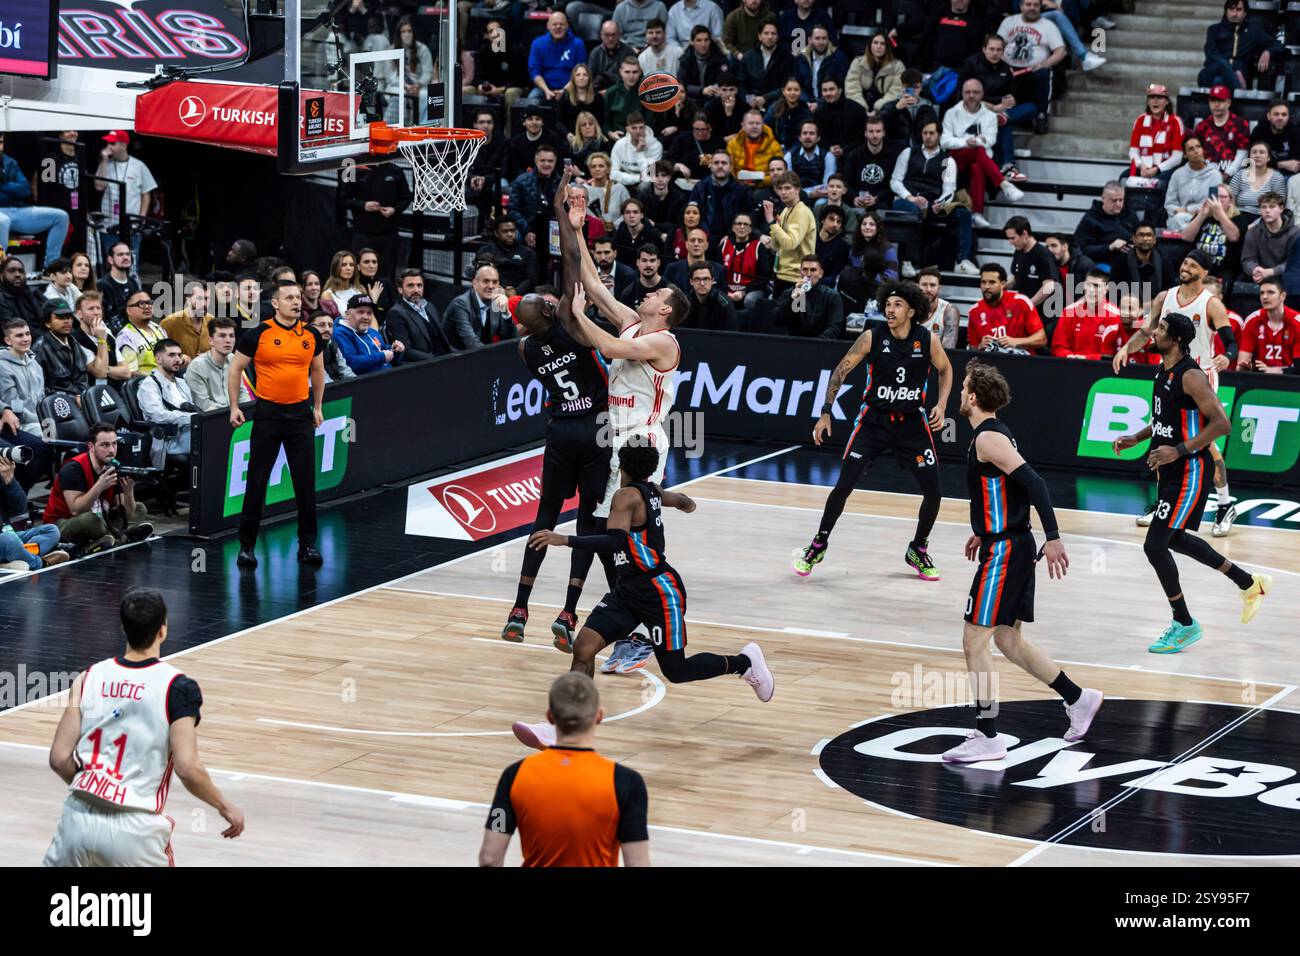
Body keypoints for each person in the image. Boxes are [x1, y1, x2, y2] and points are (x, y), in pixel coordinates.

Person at [516, 443, 775, 749]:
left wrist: (565, 539)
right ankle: (563, 728)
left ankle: (744, 663)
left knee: (676, 671)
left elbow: (615, 542)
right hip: (627, 590)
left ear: (619, 466)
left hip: (659, 592)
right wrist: (686, 504)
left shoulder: (625, 496)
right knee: (584, 646)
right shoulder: (652, 491)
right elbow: (680, 500)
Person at [549, 182, 691, 675]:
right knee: (613, 532)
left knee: (627, 536)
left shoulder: (666, 342)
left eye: (656, 294)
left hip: (642, 442)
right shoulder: (633, 319)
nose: (647, 292)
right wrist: (577, 227)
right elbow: (594, 284)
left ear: (665, 309)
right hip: (616, 436)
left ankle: (640, 630)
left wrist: (574, 316)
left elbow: (608, 347)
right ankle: (634, 624)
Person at [942, 359, 1102, 762]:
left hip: (1006, 552)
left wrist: (1054, 537)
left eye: (963, 387)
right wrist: (984, 529)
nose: (960, 392)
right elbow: (1006, 490)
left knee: (973, 639)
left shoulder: (987, 438)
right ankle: (1078, 698)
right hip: (1005, 543)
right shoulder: (995, 433)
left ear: (973, 397)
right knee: (1007, 640)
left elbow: (1035, 483)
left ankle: (987, 735)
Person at [43, 588, 244, 866]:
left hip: (77, 818)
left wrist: (96, 788)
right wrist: (224, 805)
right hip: (134, 827)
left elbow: (58, 758)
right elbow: (187, 767)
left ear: (123, 629)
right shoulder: (177, 687)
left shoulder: (89, 677)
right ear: (163, 630)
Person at [1111, 312, 1271, 653]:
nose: (1154, 333)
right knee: (1176, 538)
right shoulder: (1163, 370)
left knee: (1155, 545)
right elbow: (1163, 419)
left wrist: (1179, 450)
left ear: (1177, 340)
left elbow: (1222, 424)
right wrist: (1137, 437)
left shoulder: (1191, 375)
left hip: (1189, 471)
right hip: (1170, 470)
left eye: (1161, 329)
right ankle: (1249, 583)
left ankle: (1184, 623)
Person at [501, 172, 614, 647]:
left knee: (545, 515)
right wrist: (565, 215)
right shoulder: (568, 321)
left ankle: (519, 608)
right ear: (549, 312)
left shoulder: (524, 349)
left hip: (560, 431)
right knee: (588, 519)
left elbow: (536, 313)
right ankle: (568, 612)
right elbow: (571, 260)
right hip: (595, 429)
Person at [794, 281, 953, 580]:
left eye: (897, 305)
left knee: (934, 492)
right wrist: (825, 412)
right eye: (888, 305)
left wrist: (942, 405)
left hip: (912, 426)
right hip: (873, 424)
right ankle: (818, 543)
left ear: (912, 311)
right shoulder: (872, 337)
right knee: (843, 486)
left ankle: (917, 549)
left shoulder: (926, 339)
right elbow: (840, 370)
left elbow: (946, 369)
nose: (890, 310)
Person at [1112, 250, 1239, 536]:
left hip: (1200, 375)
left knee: (1207, 443)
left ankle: (1224, 504)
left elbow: (1230, 341)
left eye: (1192, 265)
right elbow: (1146, 332)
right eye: (1184, 262)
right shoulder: (1164, 297)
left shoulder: (1211, 304)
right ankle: (1164, 502)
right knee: (1164, 434)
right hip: (1169, 371)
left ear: (1204, 272)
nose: (1186, 267)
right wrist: (1126, 349)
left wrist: (1227, 356)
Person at [481, 672, 649, 867]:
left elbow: (490, 859)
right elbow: (638, 864)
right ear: (599, 716)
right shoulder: (626, 782)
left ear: (550, 717)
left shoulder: (515, 775)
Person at [227, 282, 326, 568]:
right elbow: (235, 369)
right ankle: (246, 547)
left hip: (300, 415)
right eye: (289, 298)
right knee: (257, 481)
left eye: (298, 298)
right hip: (268, 414)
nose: (296, 302)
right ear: (275, 303)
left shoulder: (311, 334)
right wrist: (234, 407)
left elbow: (318, 371)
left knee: (305, 482)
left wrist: (318, 406)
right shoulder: (259, 333)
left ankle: (307, 545)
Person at [42, 422, 153, 553]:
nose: (111, 450)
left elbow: (127, 513)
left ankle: (106, 539)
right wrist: (99, 486)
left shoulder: (112, 467)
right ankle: (120, 536)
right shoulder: (74, 468)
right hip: (63, 523)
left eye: (114, 444)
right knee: (90, 520)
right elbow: (76, 510)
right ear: (91, 446)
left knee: (139, 508)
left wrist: (129, 492)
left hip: (100, 518)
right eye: (105, 445)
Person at [890, 119, 976, 275]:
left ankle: (962, 261)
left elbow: (949, 189)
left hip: (931, 203)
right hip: (905, 200)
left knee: (963, 213)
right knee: (914, 211)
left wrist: (940, 204)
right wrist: (910, 197)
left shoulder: (948, 161)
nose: (928, 136)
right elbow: (895, 181)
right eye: (925, 133)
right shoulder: (908, 153)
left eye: (931, 133)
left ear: (939, 135)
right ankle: (909, 262)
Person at [940, 77, 1025, 227]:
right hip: (956, 160)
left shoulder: (990, 116)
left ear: (982, 94)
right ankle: (1005, 185)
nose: (971, 95)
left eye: (975, 92)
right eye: (967, 92)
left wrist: (976, 142)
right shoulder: (951, 113)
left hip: (980, 160)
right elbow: (944, 141)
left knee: (977, 167)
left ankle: (977, 213)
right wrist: (966, 142)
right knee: (978, 148)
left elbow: (990, 140)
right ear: (962, 93)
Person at [961, 33, 1033, 181]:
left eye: (999, 50)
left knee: (1031, 107)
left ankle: (1004, 117)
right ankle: (1008, 166)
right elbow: (968, 97)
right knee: (1003, 124)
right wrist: (994, 108)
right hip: (976, 109)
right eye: (991, 49)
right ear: (984, 49)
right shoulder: (971, 64)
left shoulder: (1005, 68)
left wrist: (1011, 99)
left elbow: (1011, 93)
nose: (995, 53)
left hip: (1000, 109)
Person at [0, 132, 70, 266]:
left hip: (18, 210)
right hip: (1, 214)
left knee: (61, 217)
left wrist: (3, 185)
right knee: (3, 221)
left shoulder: (9, 162)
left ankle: (52, 267)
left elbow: (24, 190)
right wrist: (11, 188)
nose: (0, 147)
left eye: (1, 142)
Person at [998, 0, 1067, 133]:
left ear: (1040, 7)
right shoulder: (1009, 22)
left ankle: (1041, 116)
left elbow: (1061, 51)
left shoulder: (1048, 25)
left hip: (1034, 71)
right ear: (1021, 6)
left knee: (1044, 73)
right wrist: (1002, 64)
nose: (1032, 8)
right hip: (1009, 69)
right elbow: (997, 44)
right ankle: (1008, 115)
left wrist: (1044, 64)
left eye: (1036, 5)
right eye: (1028, 4)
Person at [92, 131, 156, 266]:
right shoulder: (106, 164)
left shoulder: (139, 166)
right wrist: (104, 160)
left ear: (123, 145)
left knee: (131, 262)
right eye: (108, 143)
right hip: (109, 224)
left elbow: (146, 193)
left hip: (131, 225)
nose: (108, 147)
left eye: (112, 143)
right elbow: (99, 187)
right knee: (111, 263)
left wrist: (141, 218)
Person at [0, 452, 68, 571]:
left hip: (6, 534)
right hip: (5, 539)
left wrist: (10, 480)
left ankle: (18, 558)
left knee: (51, 530)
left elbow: (21, 508)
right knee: (8, 540)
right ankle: (39, 563)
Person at [340, 163, 412, 273]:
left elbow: (406, 198)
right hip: (363, 234)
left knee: (387, 273)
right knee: (361, 273)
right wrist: (364, 206)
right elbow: (343, 200)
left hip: (389, 235)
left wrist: (394, 210)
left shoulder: (395, 170)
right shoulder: (354, 170)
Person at [1198, 0, 1284, 91]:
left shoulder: (1253, 31)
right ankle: (1235, 83)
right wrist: (1234, 69)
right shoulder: (1214, 30)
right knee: (1220, 66)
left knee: (1218, 82)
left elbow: (1280, 46)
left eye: (1239, 10)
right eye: (1231, 9)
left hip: (1236, 77)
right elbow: (1211, 55)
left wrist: (1268, 52)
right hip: (1211, 73)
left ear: (1245, 13)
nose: (1234, 13)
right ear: (1226, 11)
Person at [136, 339, 196, 469]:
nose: (177, 359)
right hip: (168, 439)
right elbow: (158, 415)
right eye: (171, 355)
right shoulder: (149, 385)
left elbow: (193, 407)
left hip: (190, 432)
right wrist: (190, 418)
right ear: (158, 359)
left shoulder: (182, 382)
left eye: (179, 355)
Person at [967, 263, 1047, 353]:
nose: (987, 286)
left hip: (1021, 358)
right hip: (989, 360)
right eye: (983, 282)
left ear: (1003, 284)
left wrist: (1016, 342)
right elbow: (972, 349)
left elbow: (1041, 339)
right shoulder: (974, 311)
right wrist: (980, 346)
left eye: (992, 282)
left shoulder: (1021, 302)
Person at [1071, 180, 1139, 274]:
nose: (1118, 204)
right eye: (1114, 200)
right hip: (1102, 262)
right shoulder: (1091, 218)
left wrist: (1136, 246)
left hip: (1129, 261)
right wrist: (1110, 247)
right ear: (1103, 199)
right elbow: (1082, 249)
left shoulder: (1130, 215)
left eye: (1121, 200)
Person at [384, 269, 454, 361]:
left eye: (419, 285)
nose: (416, 290)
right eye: (410, 286)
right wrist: (437, 359)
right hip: (425, 364)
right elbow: (406, 352)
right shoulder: (396, 314)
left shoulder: (430, 306)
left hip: (445, 358)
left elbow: (442, 341)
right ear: (400, 289)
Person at [445, 264, 514, 350]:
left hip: (481, 352)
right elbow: (472, 344)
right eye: (486, 281)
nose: (491, 286)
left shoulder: (496, 300)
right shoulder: (461, 304)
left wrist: (506, 313)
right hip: (456, 354)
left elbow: (510, 339)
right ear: (475, 283)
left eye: (495, 282)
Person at [1238, 278, 1300, 372]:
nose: (1265, 297)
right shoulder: (1252, 320)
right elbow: (1241, 363)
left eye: (1271, 292)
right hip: (1260, 376)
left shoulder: (1297, 322)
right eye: (1262, 293)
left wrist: (1276, 371)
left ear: (1282, 296)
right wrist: (1245, 367)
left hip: (1291, 378)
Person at [1052, 270, 1118, 359]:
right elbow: (1058, 347)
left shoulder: (1116, 316)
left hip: (1101, 366)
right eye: (1088, 285)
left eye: (1096, 286)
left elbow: (1113, 354)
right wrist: (1068, 356)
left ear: (1106, 289)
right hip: (1071, 364)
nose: (1091, 290)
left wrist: (1086, 359)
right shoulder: (1069, 312)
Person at [1127, 84, 1185, 186]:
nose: (1155, 101)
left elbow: (1177, 157)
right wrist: (1141, 166)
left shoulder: (1175, 122)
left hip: (1165, 170)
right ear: (1148, 102)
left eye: (1160, 98)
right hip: (1143, 168)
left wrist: (1157, 169)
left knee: (1158, 184)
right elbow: (1133, 151)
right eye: (1152, 97)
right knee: (1123, 179)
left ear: (1167, 102)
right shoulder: (1140, 120)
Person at [773, 256, 844, 338]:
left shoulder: (832, 296)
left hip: (821, 343)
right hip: (794, 341)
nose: (809, 274)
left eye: (813, 270)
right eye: (805, 269)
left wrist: (816, 343)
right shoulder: (789, 293)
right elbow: (778, 321)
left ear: (820, 273)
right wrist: (791, 300)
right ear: (800, 272)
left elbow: (834, 327)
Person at [1178, 182, 1242, 272]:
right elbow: (1186, 237)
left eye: (1223, 197)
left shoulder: (1238, 219)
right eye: (1216, 196)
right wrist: (1202, 214)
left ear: (1230, 202)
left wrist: (1219, 212)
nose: (1218, 200)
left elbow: (1234, 237)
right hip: (1198, 267)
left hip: (1223, 268)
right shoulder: (1204, 216)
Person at [1165, 136, 1224, 232]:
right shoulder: (1177, 174)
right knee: (1177, 219)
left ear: (1203, 150)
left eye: (1198, 147)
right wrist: (1177, 210)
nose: (1196, 151)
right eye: (1191, 149)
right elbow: (1170, 203)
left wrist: (1188, 209)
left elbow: (1213, 204)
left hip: (1204, 218)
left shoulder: (1215, 175)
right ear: (1185, 155)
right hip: (1179, 218)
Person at [333, 295, 403, 374]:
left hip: (388, 374)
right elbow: (351, 363)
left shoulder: (372, 331)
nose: (366, 317)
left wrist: (395, 350)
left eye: (369, 313)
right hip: (366, 380)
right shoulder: (340, 334)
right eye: (360, 312)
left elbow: (383, 351)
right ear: (348, 314)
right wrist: (382, 356)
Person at [33, 300, 90, 397]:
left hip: (83, 399)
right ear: (48, 323)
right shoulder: (39, 349)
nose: (67, 321)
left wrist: (84, 397)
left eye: (69, 317)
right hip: (60, 403)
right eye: (60, 317)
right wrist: (73, 398)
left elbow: (83, 380)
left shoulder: (74, 342)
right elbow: (41, 389)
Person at [1193, 86, 1250, 181]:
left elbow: (1242, 154)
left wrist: (1228, 173)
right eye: (1213, 101)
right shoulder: (1202, 126)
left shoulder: (1240, 124)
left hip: (1232, 175)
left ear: (1228, 103)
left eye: (1220, 101)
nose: (1216, 104)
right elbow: (1196, 153)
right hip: (1206, 174)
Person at [528, 11, 586, 103]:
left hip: (571, 87)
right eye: (554, 24)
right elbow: (534, 72)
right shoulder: (538, 43)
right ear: (548, 26)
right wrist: (546, 90)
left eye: (561, 24)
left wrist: (564, 90)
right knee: (532, 98)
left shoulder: (578, 44)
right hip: (544, 87)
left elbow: (580, 72)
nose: (558, 27)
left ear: (567, 26)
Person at [0, 318, 45, 436]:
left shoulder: (35, 364)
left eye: (27, 334)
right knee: (51, 438)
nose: (26, 339)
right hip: (20, 424)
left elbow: (42, 398)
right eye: (19, 335)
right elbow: (13, 406)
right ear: (8, 341)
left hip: (42, 421)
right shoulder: (2, 366)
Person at [1004, 216, 1058, 314]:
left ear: (1024, 234)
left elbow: (1049, 286)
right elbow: (1016, 277)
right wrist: (1002, 287)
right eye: (1009, 239)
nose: (1010, 242)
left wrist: (1029, 304)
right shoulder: (1018, 251)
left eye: (1013, 238)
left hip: (1044, 314)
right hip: (1027, 312)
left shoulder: (1043, 254)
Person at [187, 318, 243, 411]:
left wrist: (247, 411)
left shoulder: (234, 359)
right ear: (211, 341)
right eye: (222, 336)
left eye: (231, 336)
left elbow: (241, 392)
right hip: (214, 415)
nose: (228, 340)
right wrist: (232, 411)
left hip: (236, 412)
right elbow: (203, 403)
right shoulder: (197, 366)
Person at [738, 22, 792, 113]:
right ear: (760, 36)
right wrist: (751, 99)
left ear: (777, 37)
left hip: (775, 101)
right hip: (751, 101)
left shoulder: (786, 57)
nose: (770, 37)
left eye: (773, 33)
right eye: (766, 33)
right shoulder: (748, 57)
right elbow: (742, 84)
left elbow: (786, 85)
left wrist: (765, 98)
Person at [845, 32, 903, 114]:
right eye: (875, 43)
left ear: (887, 47)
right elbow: (852, 87)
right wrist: (861, 109)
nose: (878, 46)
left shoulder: (898, 66)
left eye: (882, 44)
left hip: (885, 106)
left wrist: (878, 109)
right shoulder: (858, 62)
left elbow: (896, 91)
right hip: (861, 103)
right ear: (870, 45)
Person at [481, 218, 539, 296]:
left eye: (512, 231)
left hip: (519, 294)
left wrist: (515, 291)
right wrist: (501, 290)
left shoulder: (528, 253)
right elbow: (482, 275)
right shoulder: (486, 250)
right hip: (493, 291)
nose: (510, 234)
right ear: (496, 233)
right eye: (505, 231)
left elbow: (531, 279)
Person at [1228, 143, 1287, 220]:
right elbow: (1229, 200)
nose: (1257, 155)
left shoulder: (1277, 177)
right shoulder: (1239, 175)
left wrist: (1258, 223)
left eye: (1261, 152)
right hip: (1239, 217)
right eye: (1254, 152)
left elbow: (1279, 205)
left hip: (1266, 219)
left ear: (1268, 158)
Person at [113, 291, 165, 377]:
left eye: (149, 302)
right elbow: (130, 373)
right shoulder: (125, 337)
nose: (147, 307)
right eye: (141, 304)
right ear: (128, 310)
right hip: (145, 383)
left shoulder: (157, 328)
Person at [159, 281, 211, 366]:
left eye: (207, 299)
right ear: (188, 300)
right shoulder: (169, 323)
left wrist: (209, 357)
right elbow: (159, 353)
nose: (204, 303)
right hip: (178, 372)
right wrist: (180, 357)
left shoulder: (212, 321)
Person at [609, 113, 663, 189]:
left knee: (645, 186)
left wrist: (640, 152)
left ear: (645, 128)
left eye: (641, 127)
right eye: (634, 128)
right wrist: (637, 178)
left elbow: (650, 177)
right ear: (627, 129)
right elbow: (613, 173)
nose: (638, 131)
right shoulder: (620, 144)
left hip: (646, 185)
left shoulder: (656, 146)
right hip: (625, 182)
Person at [95, 243, 140, 331]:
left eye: (128, 254)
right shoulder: (103, 285)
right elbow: (107, 318)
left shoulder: (133, 283)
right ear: (110, 259)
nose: (125, 257)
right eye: (120, 254)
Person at [1249, 100, 1300, 176]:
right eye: (1276, 114)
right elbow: (1253, 160)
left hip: (1289, 175)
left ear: (1288, 117)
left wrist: (1270, 163)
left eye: (1284, 115)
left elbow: (1296, 163)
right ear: (1268, 116)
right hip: (1264, 173)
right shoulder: (1259, 131)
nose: (1280, 118)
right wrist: (1281, 164)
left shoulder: (1295, 132)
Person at [681, 262, 737, 330]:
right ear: (691, 281)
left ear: (712, 281)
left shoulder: (724, 305)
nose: (702, 283)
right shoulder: (686, 303)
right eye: (697, 279)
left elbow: (730, 334)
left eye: (706, 279)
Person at [587, 20, 636, 94]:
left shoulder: (629, 52)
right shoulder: (595, 53)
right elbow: (590, 78)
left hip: (622, 93)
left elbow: (632, 78)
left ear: (619, 35)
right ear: (601, 35)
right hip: (599, 93)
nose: (610, 38)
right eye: (607, 35)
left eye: (613, 35)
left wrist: (610, 91)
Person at [917, 266, 959, 347]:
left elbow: (948, 349)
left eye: (932, 285)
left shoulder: (949, 310)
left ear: (939, 288)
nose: (928, 289)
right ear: (918, 286)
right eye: (924, 284)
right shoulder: (908, 308)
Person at [310, 312, 356, 384]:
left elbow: (344, 369)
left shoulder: (332, 344)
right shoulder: (306, 348)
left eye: (330, 325)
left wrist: (356, 383)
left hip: (336, 385)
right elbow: (321, 377)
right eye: (321, 325)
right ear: (310, 328)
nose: (327, 329)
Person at [0, 256, 43, 327]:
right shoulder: (2, 298)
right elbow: (13, 328)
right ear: (1, 275)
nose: (18, 274)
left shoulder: (34, 292)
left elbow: (51, 312)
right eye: (12, 271)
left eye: (21, 271)